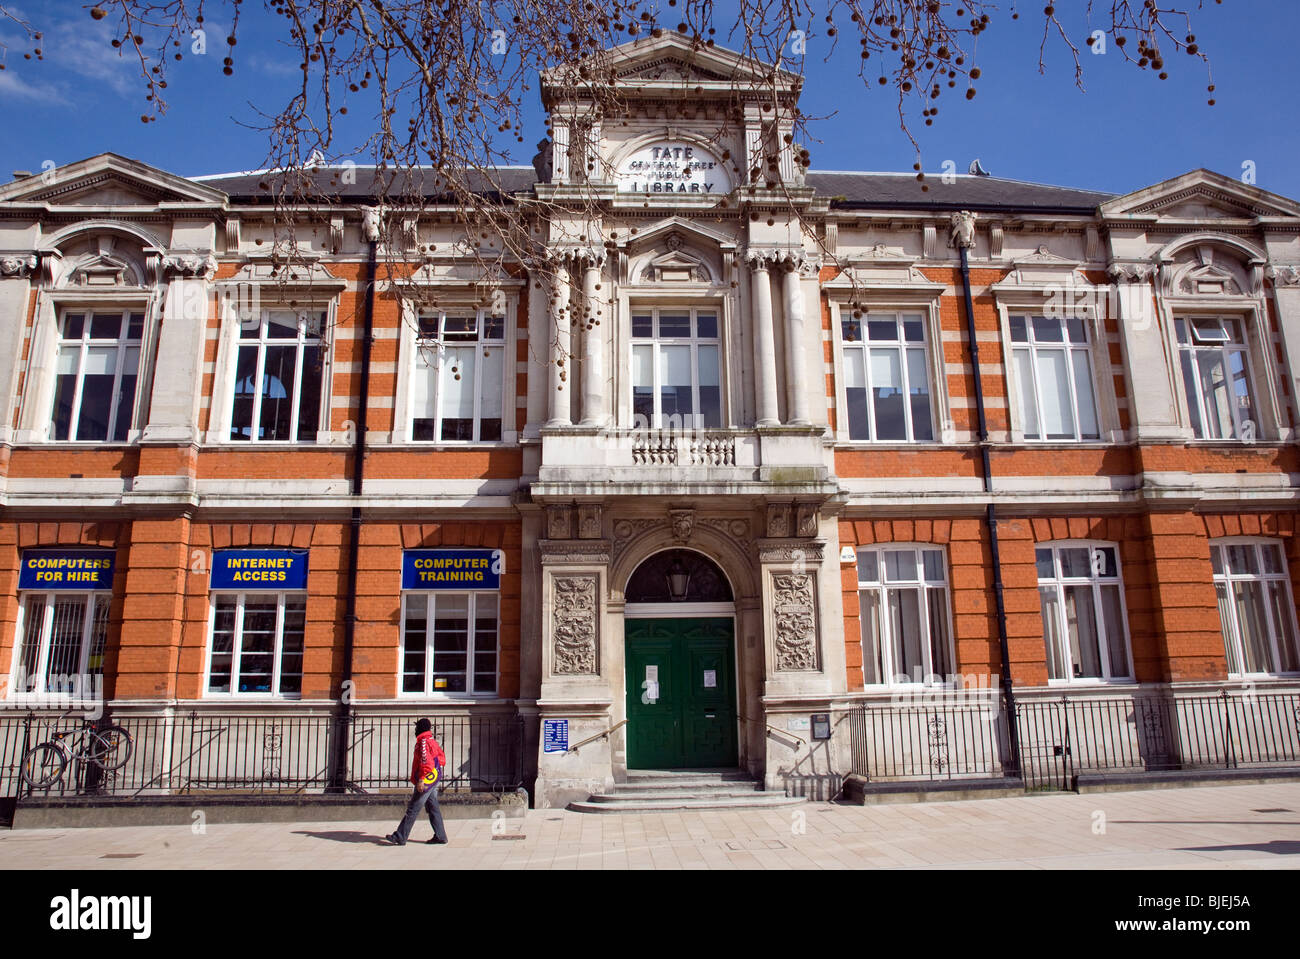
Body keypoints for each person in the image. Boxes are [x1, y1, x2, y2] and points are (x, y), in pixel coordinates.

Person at [385, 717, 449, 846]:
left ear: (420, 728)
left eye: (416, 727)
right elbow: (442, 759)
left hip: (426, 780)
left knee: (413, 808)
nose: (415, 730)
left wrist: (421, 779)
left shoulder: (423, 742)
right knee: (432, 807)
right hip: (434, 778)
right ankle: (440, 836)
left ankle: (400, 836)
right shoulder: (432, 740)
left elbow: (427, 762)